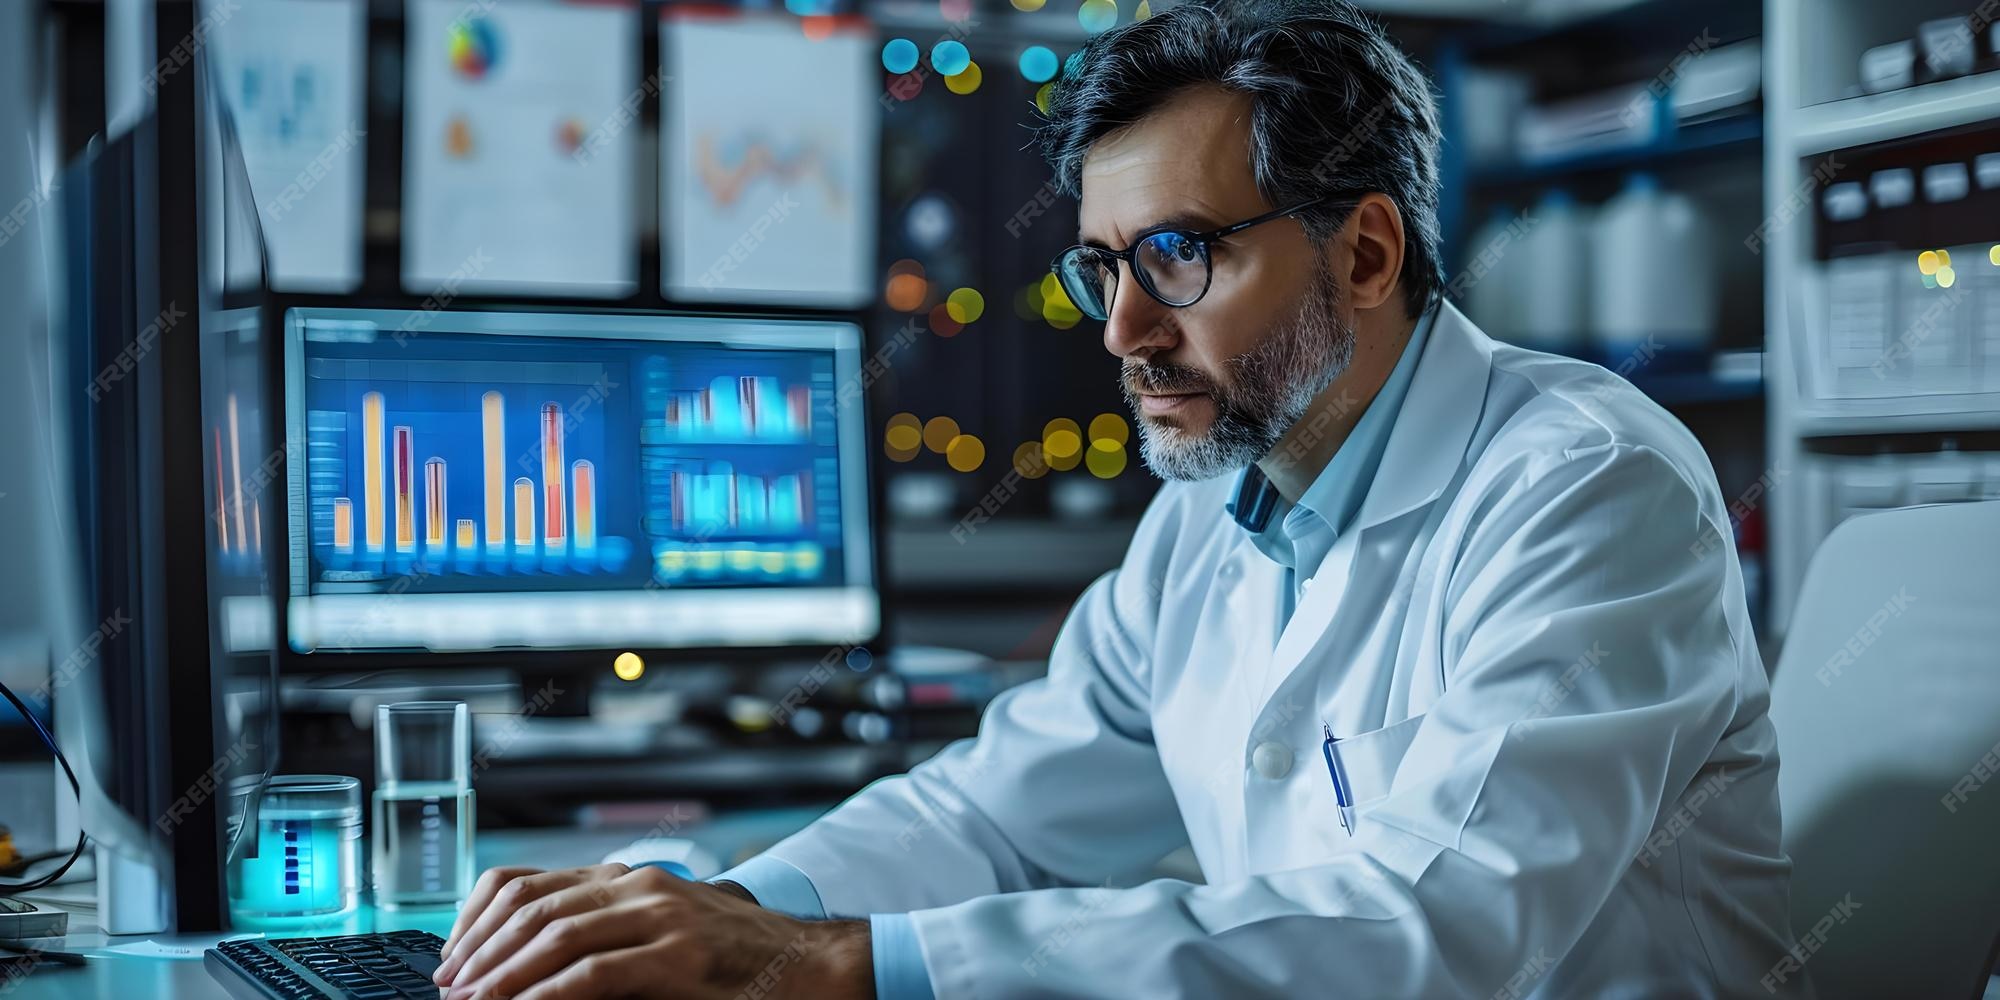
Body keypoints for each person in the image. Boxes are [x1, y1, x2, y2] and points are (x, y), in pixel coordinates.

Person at [431, 1, 1801, 996]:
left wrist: (829, 964)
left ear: (1367, 250)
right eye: (1103, 269)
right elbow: (997, 815)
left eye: (1178, 257)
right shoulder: (1214, 512)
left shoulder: (1585, 490)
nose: (1123, 329)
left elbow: (1429, 934)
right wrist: (715, 910)